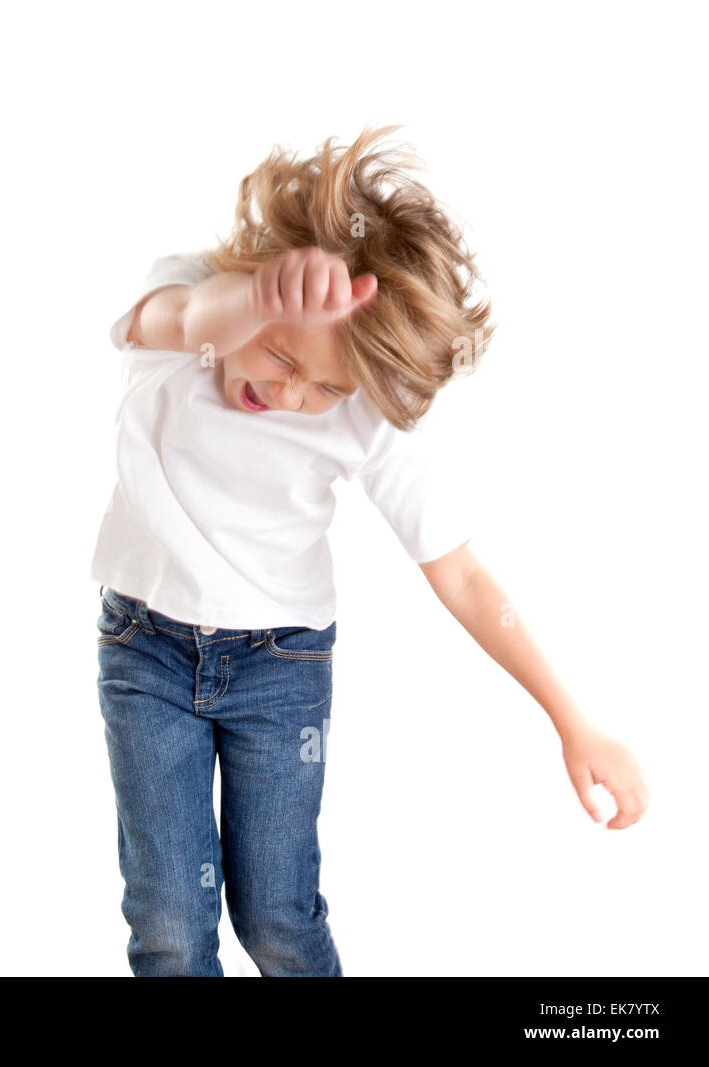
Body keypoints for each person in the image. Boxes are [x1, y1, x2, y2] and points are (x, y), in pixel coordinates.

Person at [90, 124, 650, 977]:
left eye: (324, 388)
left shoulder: (360, 409)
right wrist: (260, 303)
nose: (289, 394)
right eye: (282, 354)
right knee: (168, 916)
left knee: (276, 914)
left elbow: (460, 573)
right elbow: (184, 319)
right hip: (146, 651)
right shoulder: (190, 299)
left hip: (280, 666)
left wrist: (574, 722)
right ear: (256, 274)